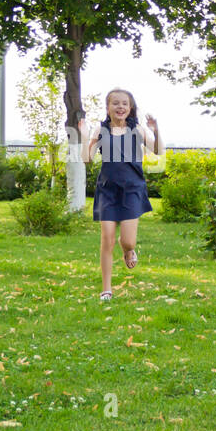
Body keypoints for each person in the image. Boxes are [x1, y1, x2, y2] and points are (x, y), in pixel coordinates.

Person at [80, 89, 161, 301]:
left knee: (128, 241)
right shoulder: (101, 129)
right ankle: (106, 289)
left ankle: (128, 251)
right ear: (108, 107)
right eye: (115, 103)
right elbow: (86, 159)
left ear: (130, 107)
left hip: (132, 189)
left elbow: (159, 150)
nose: (120, 107)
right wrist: (83, 136)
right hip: (107, 189)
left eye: (125, 103)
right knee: (107, 239)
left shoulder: (137, 129)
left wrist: (156, 130)